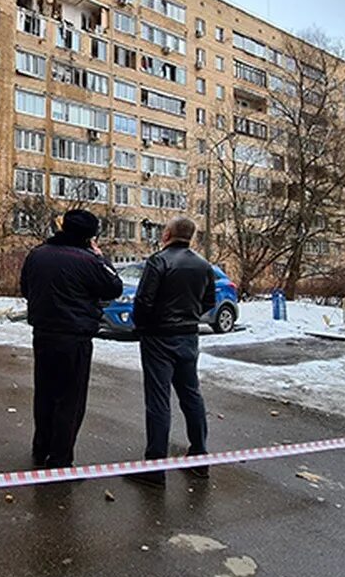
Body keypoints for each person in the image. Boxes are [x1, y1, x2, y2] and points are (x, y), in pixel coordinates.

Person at [20, 209, 124, 469]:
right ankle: (60, 459)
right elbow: (115, 287)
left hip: (43, 334)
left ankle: (40, 448)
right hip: (74, 338)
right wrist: (102, 258)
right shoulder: (89, 261)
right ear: (90, 237)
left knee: (44, 394)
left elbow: (26, 288)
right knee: (70, 400)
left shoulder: (38, 254)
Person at [126, 216, 216, 488]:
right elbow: (209, 301)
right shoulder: (203, 265)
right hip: (188, 337)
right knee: (191, 394)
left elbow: (144, 300)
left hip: (158, 337)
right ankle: (200, 455)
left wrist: (142, 326)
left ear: (167, 234)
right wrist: (188, 317)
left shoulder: (159, 261)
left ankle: (155, 466)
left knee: (158, 399)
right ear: (191, 237)